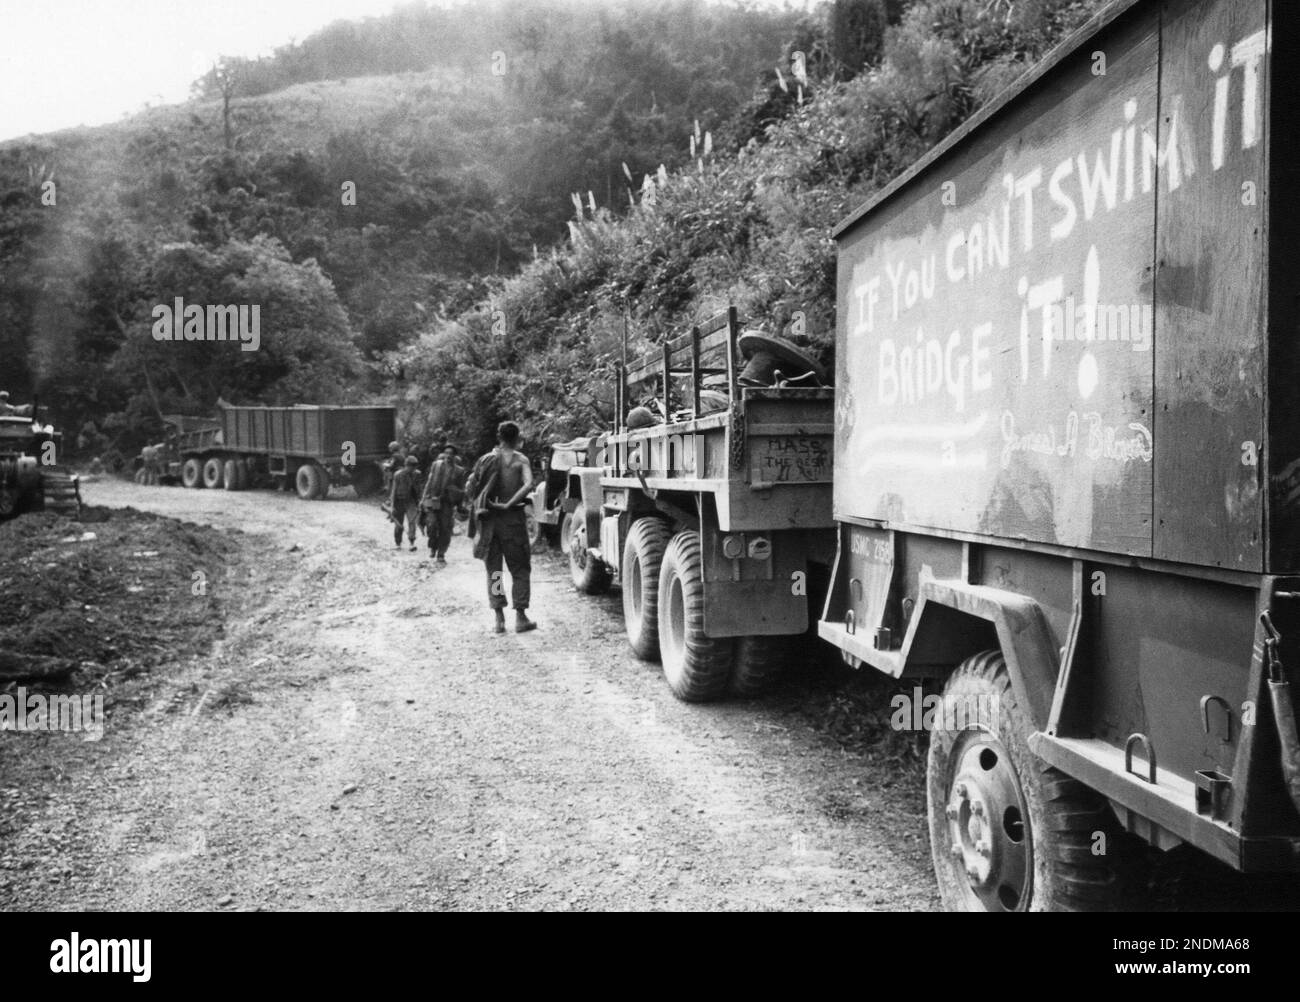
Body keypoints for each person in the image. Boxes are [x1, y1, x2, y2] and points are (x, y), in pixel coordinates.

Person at [472, 421, 536, 634]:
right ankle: (520, 617)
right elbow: (528, 484)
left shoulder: (486, 460)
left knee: (495, 571)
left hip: (490, 522)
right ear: (517, 437)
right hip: (513, 522)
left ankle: (499, 618)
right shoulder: (521, 460)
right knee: (519, 569)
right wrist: (509, 503)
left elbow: (472, 486)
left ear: (499, 437)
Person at [420, 448, 458, 564]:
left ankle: (441, 553)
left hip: (447, 503)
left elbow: (461, 489)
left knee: (445, 528)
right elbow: (429, 481)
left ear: (454, 456)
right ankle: (433, 546)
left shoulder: (458, 470)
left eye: (451, 454)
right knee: (431, 525)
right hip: (432, 499)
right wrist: (423, 498)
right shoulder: (436, 465)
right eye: (446, 453)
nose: (448, 455)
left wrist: (457, 501)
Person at [389, 454, 422, 551]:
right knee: (399, 523)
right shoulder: (398, 475)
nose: (412, 468)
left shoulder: (417, 474)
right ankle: (398, 543)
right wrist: (392, 505)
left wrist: (420, 501)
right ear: (406, 465)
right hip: (399, 501)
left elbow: (419, 489)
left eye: (414, 466)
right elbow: (393, 491)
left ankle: (412, 543)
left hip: (411, 501)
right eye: (411, 466)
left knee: (412, 522)